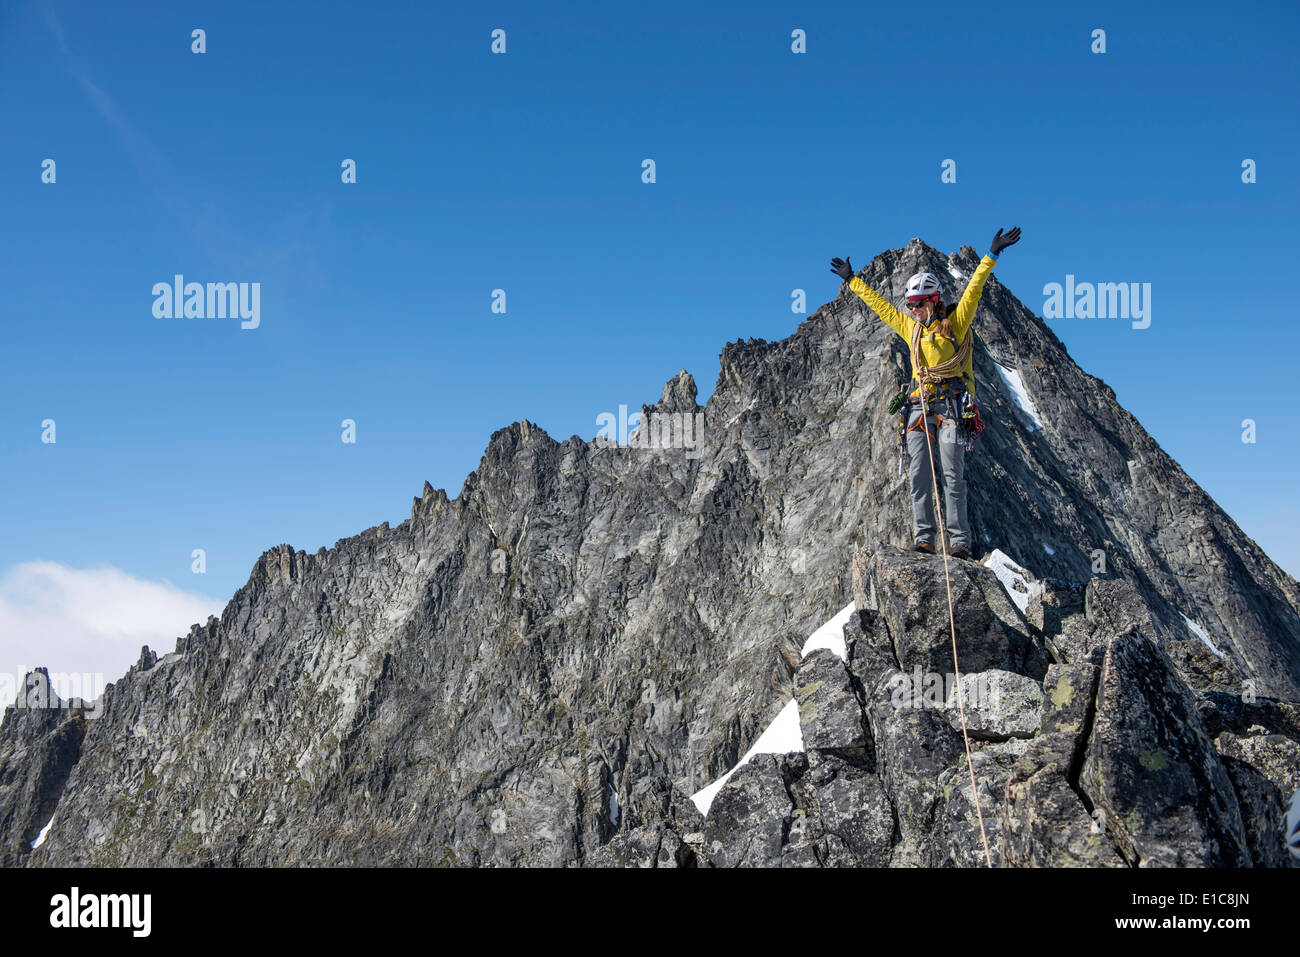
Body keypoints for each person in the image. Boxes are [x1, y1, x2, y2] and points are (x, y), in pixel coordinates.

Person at [830, 228, 1021, 559]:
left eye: (918, 304)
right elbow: (882, 308)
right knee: (919, 475)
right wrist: (853, 281)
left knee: (952, 474)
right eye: (911, 305)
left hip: (950, 406)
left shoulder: (956, 324)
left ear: (934, 301)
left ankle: (959, 542)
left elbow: (973, 291)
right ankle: (925, 539)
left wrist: (991, 255)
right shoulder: (911, 328)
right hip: (920, 405)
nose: (913, 310)